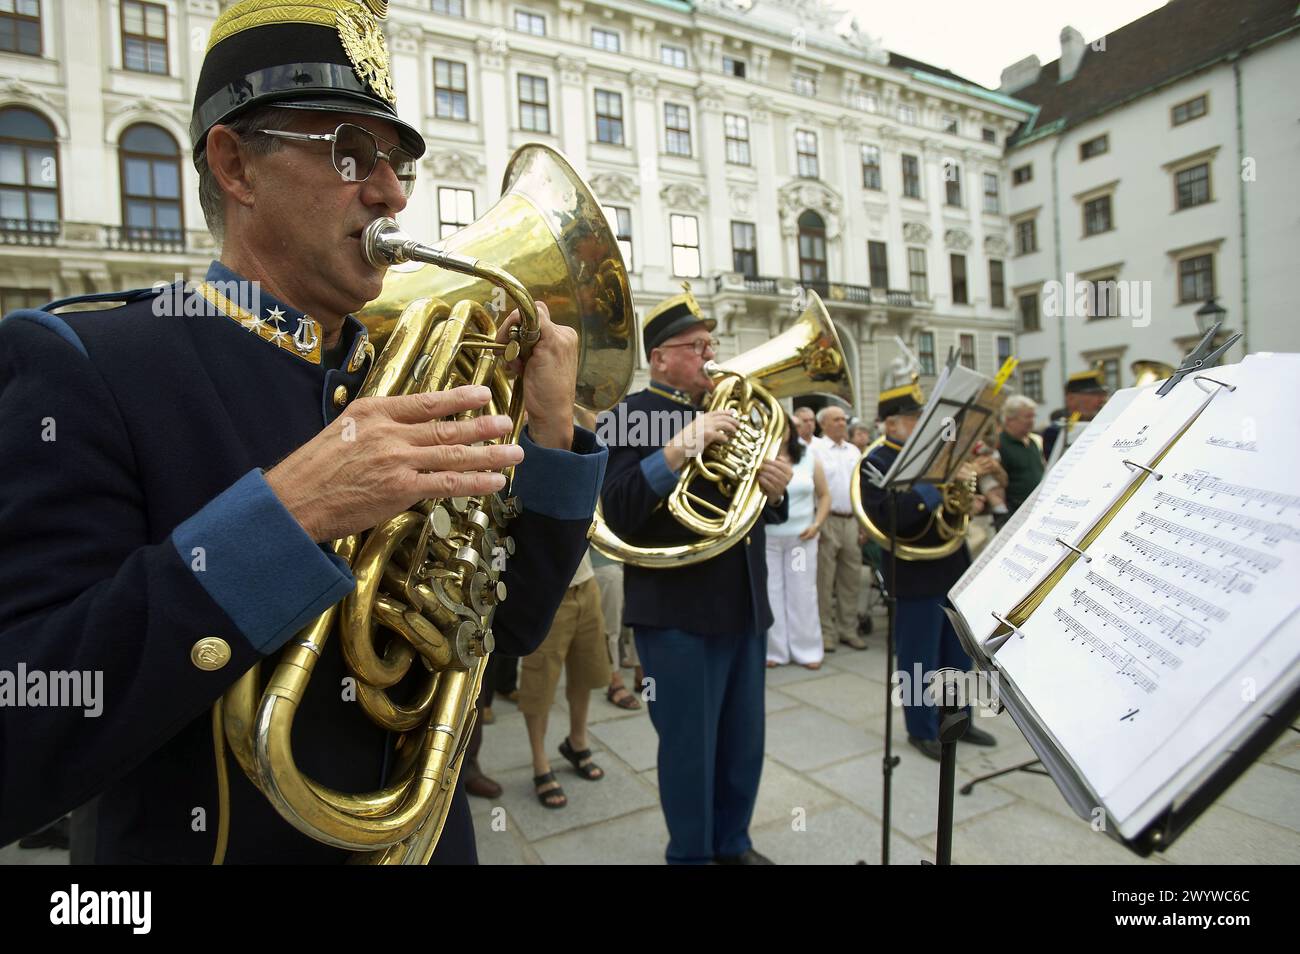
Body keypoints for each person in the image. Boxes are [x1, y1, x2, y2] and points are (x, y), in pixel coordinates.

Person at [0, 0, 606, 864]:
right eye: (349, 152)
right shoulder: (90, 361)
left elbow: (499, 634)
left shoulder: (414, 365)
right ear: (236, 164)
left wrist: (548, 437)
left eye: (397, 163)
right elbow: (23, 735)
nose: (393, 191)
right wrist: (281, 518)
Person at [599, 286, 792, 865]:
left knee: (743, 745)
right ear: (659, 357)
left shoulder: (734, 412)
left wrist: (773, 488)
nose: (711, 354)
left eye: (712, 343)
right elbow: (619, 507)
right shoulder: (629, 417)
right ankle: (691, 854)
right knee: (690, 750)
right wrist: (679, 449)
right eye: (697, 345)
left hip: (744, 605)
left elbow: (752, 508)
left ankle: (735, 843)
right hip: (676, 611)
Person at [859, 383, 996, 761]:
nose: (922, 425)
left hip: (951, 564)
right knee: (918, 657)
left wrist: (966, 497)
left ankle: (956, 720)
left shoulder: (935, 456)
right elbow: (891, 516)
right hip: (913, 570)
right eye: (915, 418)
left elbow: (954, 510)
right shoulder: (877, 461)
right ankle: (920, 729)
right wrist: (938, 487)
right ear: (891, 423)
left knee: (957, 654)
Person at [517, 549, 611, 809]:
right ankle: (540, 762)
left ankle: (577, 741)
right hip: (545, 592)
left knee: (585, 669)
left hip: (586, 582)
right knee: (540, 681)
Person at [765, 414, 830, 668]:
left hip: (800, 539)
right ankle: (774, 651)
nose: (782, 433)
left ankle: (808, 650)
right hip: (770, 538)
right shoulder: (762, 457)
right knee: (771, 593)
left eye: (785, 428)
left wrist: (817, 524)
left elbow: (824, 495)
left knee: (802, 592)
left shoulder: (808, 457)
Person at [813, 404, 867, 653]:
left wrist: (863, 523)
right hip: (828, 519)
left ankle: (848, 629)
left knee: (851, 577)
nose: (841, 423)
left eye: (843, 419)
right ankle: (826, 632)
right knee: (825, 578)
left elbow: (861, 488)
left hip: (851, 520)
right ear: (823, 424)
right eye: (835, 419)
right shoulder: (815, 448)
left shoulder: (854, 450)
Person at [1042, 368, 1109, 460]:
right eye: (1095, 394)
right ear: (1071, 398)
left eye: (1104, 395)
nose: (1103, 400)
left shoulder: (1105, 425)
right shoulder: (1056, 431)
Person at [996, 395, 1045, 519]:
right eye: (1027, 416)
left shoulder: (1034, 442)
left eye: (1033, 416)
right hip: (1015, 511)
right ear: (1009, 419)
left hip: (1038, 508)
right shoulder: (999, 443)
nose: (1032, 420)